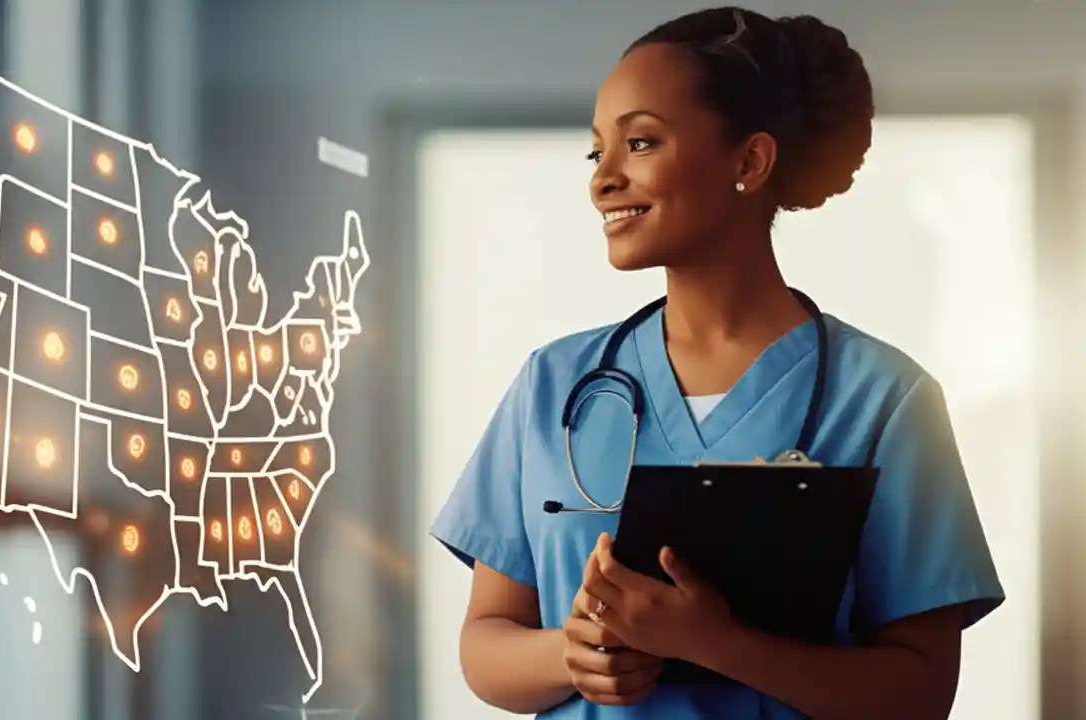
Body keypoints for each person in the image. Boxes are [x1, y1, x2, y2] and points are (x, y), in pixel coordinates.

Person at [428, 6, 1005, 719]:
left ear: (750, 162)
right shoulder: (553, 383)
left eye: (640, 142)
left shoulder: (883, 398)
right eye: (596, 153)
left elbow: (920, 694)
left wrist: (716, 643)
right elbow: (486, 645)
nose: (602, 180)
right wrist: (571, 655)